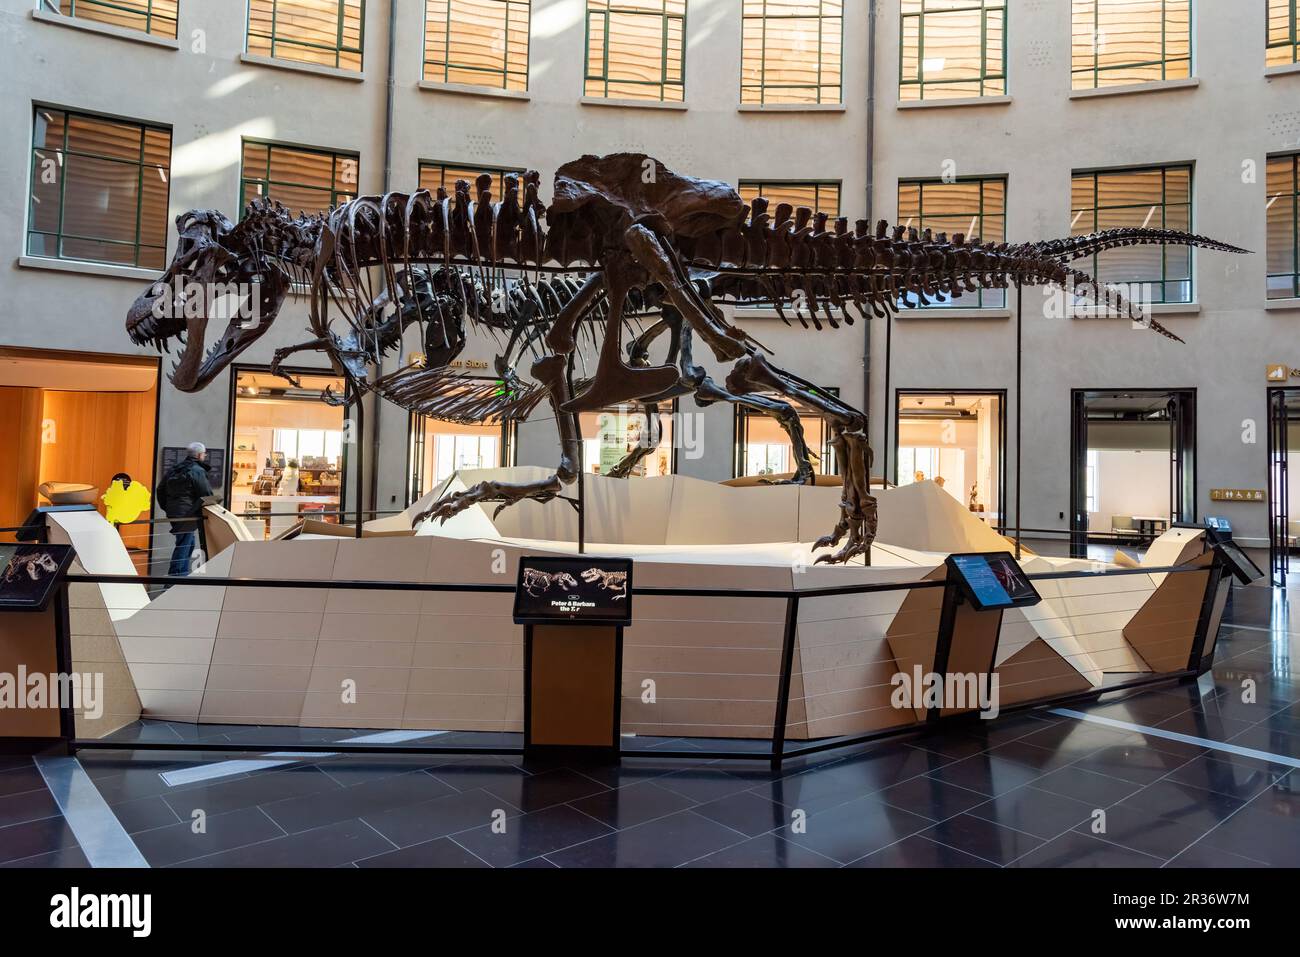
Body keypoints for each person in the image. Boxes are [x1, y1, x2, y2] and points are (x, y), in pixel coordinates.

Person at [156, 442, 213, 577]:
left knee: (188, 542)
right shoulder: (197, 470)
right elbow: (206, 493)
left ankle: (182, 574)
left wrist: (168, 508)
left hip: (175, 513)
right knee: (184, 544)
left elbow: (160, 489)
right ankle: (175, 577)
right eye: (204, 454)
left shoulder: (175, 469)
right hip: (188, 514)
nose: (204, 456)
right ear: (200, 455)